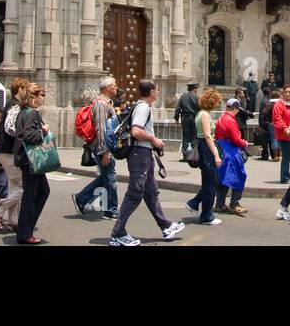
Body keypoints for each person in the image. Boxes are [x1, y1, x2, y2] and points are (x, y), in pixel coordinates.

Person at [109, 79, 186, 246]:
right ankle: (118, 233)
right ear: (151, 92)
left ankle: (166, 226)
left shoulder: (141, 106)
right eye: (156, 90)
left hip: (144, 154)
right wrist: (154, 139)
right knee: (135, 193)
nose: (158, 92)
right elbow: (136, 131)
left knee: (151, 192)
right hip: (140, 154)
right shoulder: (143, 107)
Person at [73, 76, 119, 218]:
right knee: (110, 177)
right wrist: (105, 151)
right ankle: (111, 209)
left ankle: (81, 198)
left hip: (104, 147)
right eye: (114, 85)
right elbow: (101, 128)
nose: (116, 87)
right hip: (101, 147)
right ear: (106, 88)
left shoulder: (106, 103)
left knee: (106, 177)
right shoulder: (101, 104)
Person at [13, 85, 51, 244]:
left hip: (28, 160)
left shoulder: (24, 112)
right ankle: (24, 232)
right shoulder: (31, 113)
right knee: (32, 195)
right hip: (31, 160)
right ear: (33, 96)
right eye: (42, 94)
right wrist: (43, 131)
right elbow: (29, 136)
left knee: (42, 191)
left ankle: (25, 229)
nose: (44, 97)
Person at [184, 87, 223, 226]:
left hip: (203, 147)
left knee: (210, 181)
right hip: (206, 148)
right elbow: (207, 136)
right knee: (211, 182)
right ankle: (206, 215)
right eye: (217, 101)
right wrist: (216, 155)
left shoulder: (200, 113)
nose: (218, 104)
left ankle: (194, 203)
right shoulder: (205, 115)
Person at [214, 98, 249, 215]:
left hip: (222, 150)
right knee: (240, 176)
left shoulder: (220, 119)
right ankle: (235, 204)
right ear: (235, 108)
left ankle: (219, 204)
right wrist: (244, 143)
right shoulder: (231, 120)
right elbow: (236, 139)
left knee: (224, 179)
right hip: (231, 152)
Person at [272, 84, 290, 184]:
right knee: (287, 156)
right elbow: (277, 118)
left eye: (289, 92)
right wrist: (285, 128)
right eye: (285, 92)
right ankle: (285, 177)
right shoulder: (279, 104)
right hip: (285, 135)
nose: (287, 94)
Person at [175, 82, 200, 159]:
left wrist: (176, 118)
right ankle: (192, 156)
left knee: (186, 137)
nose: (197, 90)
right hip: (194, 118)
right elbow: (200, 108)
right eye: (196, 88)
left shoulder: (183, 97)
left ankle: (185, 156)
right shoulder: (197, 97)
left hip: (185, 119)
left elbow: (178, 108)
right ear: (194, 89)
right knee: (194, 137)